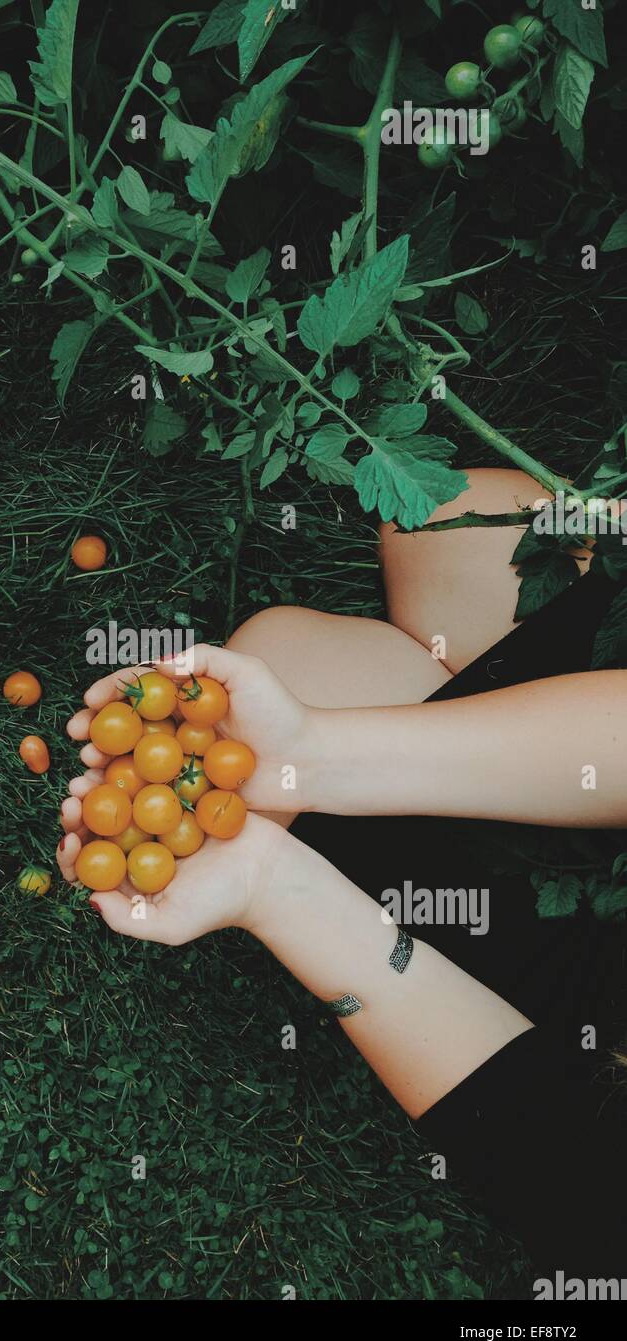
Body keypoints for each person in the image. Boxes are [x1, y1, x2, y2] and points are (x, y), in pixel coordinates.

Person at [55, 467, 627, 1287]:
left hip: (553, 1012)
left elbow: (534, 1124)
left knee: (290, 652)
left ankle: (444, 702)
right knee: (445, 517)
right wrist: (313, 756)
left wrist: (273, 886)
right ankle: (449, 701)